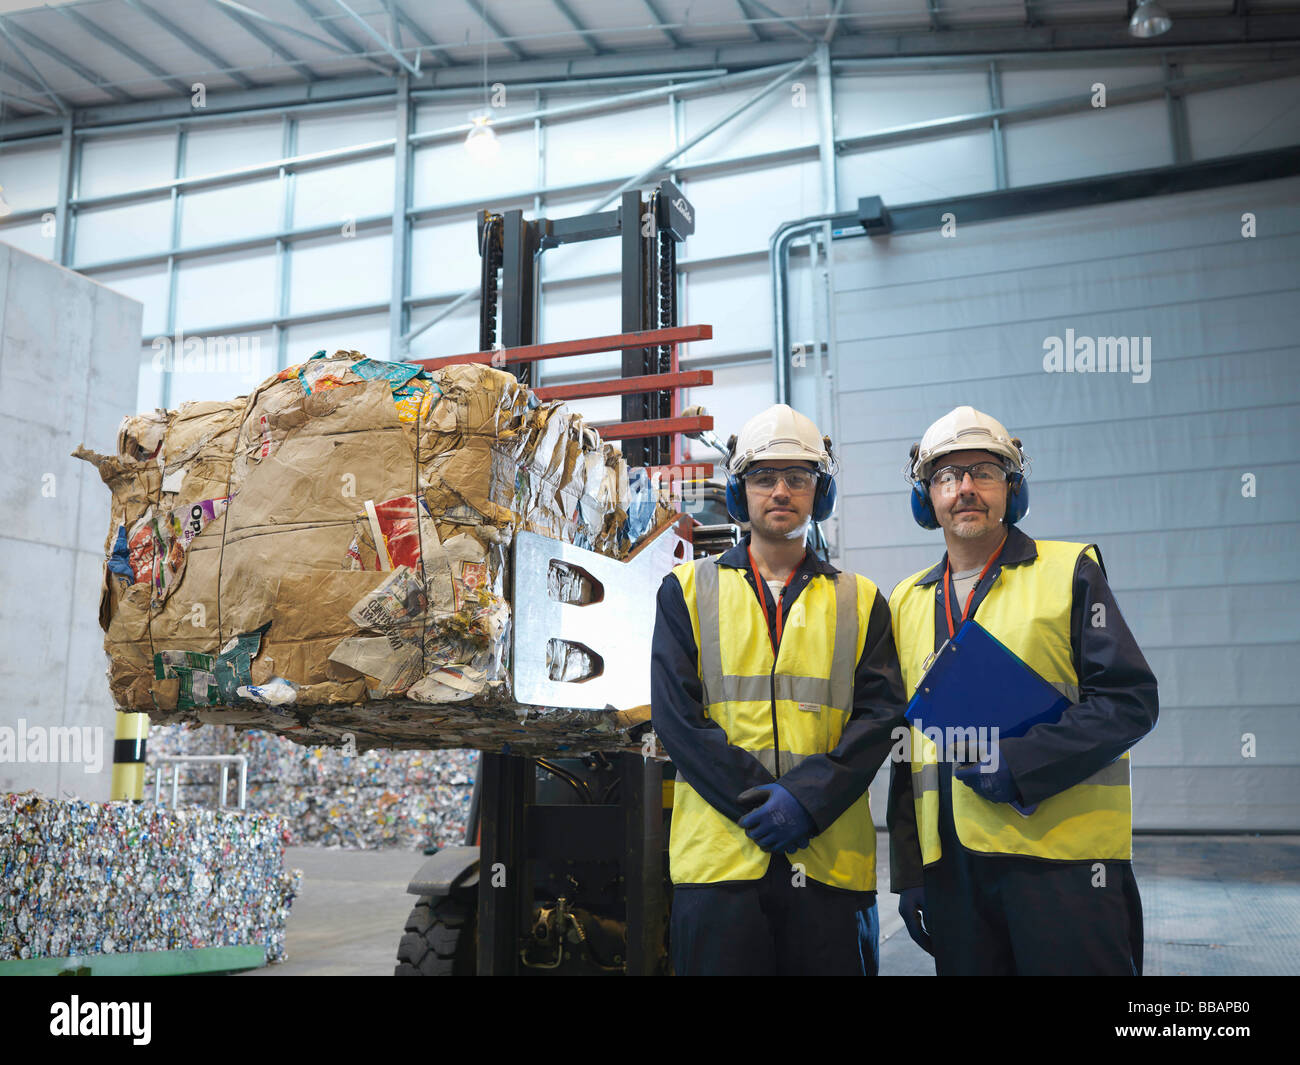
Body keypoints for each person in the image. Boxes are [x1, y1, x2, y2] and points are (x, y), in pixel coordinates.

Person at [886, 405, 1158, 976]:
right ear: (925, 498)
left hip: (1062, 866)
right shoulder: (907, 600)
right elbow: (903, 744)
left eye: (983, 472)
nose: (965, 489)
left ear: (1013, 489)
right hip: (954, 871)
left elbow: (1129, 701)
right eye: (945, 476)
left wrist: (1020, 762)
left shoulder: (1069, 571)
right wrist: (911, 870)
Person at [650, 403, 907, 976]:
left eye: (799, 477)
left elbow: (881, 718)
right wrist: (763, 805)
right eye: (764, 478)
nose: (781, 491)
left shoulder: (861, 600)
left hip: (828, 866)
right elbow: (676, 719)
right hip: (720, 867)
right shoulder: (687, 591)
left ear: (822, 493)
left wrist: (806, 802)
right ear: (741, 494)